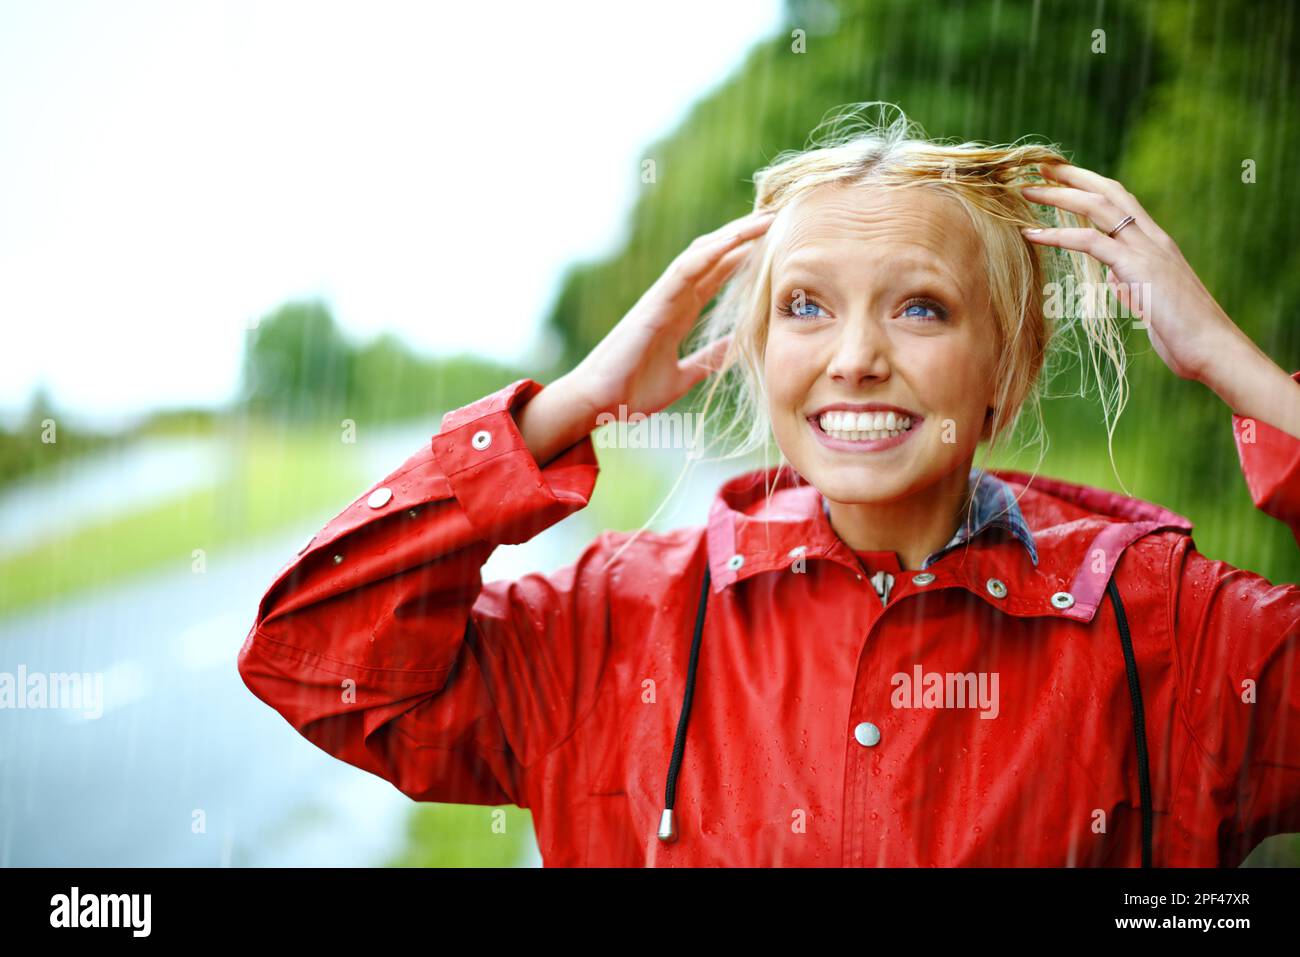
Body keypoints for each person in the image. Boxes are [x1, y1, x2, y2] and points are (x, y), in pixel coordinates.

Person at [237, 104, 1300, 867]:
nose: (854, 358)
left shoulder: (1171, 637)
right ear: (757, 355)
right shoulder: (618, 623)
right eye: (804, 307)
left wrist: (1243, 373)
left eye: (921, 308)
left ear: (1007, 372)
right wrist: (562, 408)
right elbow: (318, 660)